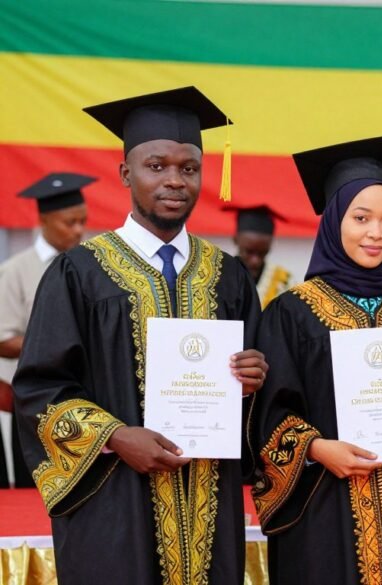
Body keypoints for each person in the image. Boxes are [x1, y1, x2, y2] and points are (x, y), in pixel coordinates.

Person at [13, 86, 268, 584]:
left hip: (207, 504)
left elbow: (258, 409)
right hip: (112, 506)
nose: (175, 180)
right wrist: (114, 437)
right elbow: (39, 390)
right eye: (157, 166)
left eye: (189, 168)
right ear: (126, 173)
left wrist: (254, 380)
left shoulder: (229, 276)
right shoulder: (79, 273)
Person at [250, 134, 382, 584]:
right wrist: (318, 449)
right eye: (361, 218)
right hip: (324, 510)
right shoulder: (292, 312)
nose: (376, 233)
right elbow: (268, 415)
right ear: (335, 220)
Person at [0, 173, 92, 488]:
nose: (79, 230)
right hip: (35, 408)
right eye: (70, 222)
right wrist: (62, 344)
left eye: (83, 221)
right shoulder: (15, 271)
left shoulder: (93, 265)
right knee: (35, 493)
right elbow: (3, 340)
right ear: (44, 219)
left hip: (89, 404)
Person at [227, 204, 291, 307]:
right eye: (249, 252)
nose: (255, 261)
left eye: (262, 253)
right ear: (235, 240)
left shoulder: (285, 283)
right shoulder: (220, 277)